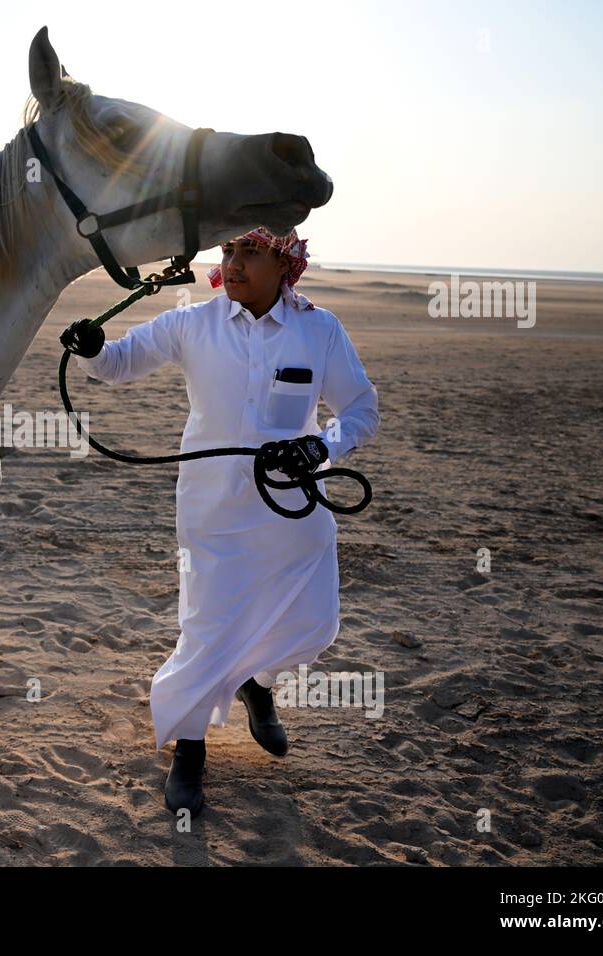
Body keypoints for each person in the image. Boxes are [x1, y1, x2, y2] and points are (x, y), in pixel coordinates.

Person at [61, 227, 379, 817]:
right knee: (208, 626)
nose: (232, 262)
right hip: (212, 509)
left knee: (314, 619)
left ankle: (259, 684)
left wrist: (321, 449)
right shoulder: (192, 324)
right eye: (228, 250)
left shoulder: (319, 329)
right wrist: (93, 347)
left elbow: (361, 408)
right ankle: (190, 751)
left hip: (294, 507)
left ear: (284, 263)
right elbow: (120, 364)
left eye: (249, 252)